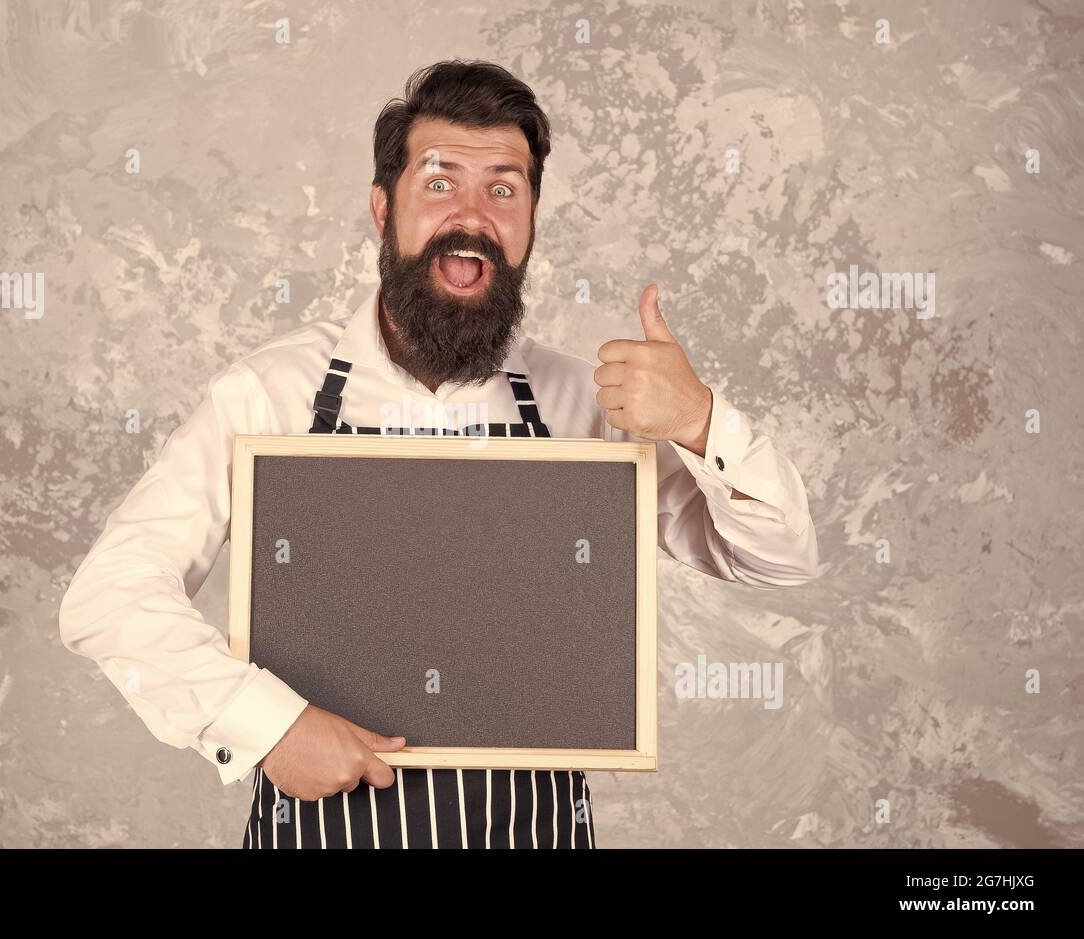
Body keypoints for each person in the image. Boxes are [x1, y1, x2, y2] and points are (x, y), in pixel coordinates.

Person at [59, 59, 820, 849]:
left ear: (529, 219)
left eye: (503, 188)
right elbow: (109, 597)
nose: (473, 214)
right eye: (440, 182)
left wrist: (701, 423)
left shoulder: (585, 404)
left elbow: (780, 557)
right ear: (382, 208)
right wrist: (267, 725)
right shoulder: (267, 397)